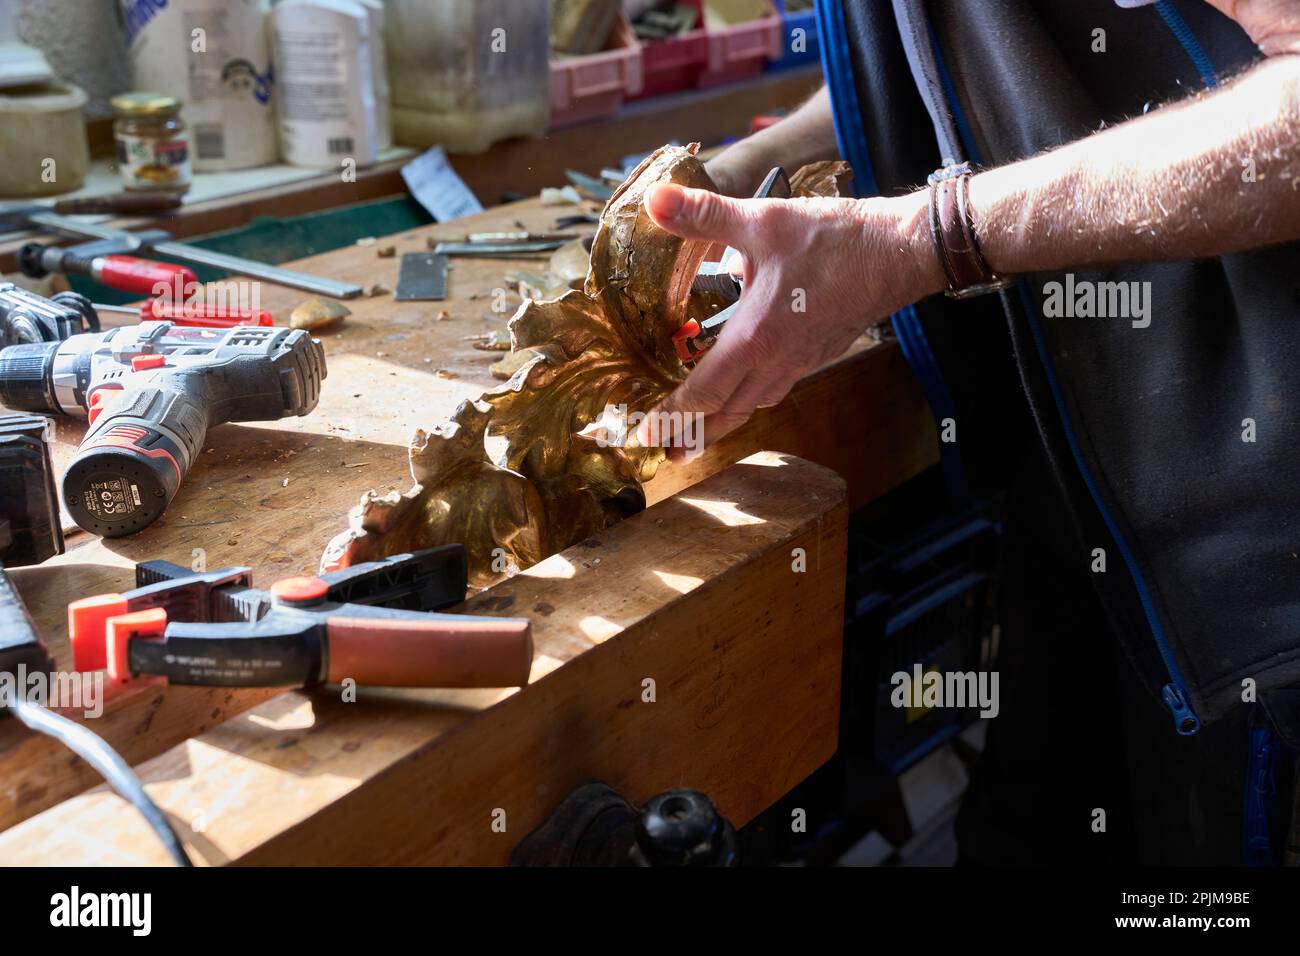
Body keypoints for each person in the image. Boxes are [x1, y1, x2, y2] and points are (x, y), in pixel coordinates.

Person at [637, 0, 1300, 865]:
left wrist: (924, 239)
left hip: (1259, 528)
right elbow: (959, 58)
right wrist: (719, 182)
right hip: (1093, 464)